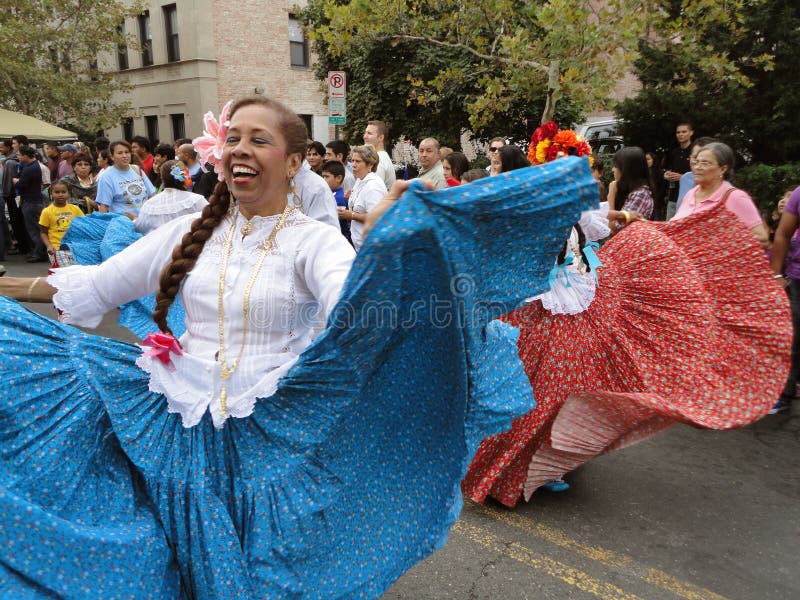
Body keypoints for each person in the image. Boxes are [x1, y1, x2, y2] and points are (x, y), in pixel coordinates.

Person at [0, 95, 599, 597]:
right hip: (169, 420)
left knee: (262, 572)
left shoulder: (315, 243)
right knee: (156, 550)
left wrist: (390, 238)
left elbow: (357, 315)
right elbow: (96, 287)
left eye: (258, 140)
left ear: (293, 164)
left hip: (269, 436)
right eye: (232, 138)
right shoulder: (192, 234)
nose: (239, 149)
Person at [672, 142, 768, 246]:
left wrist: (718, 244)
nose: (697, 167)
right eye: (696, 162)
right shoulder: (691, 194)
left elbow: (762, 238)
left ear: (723, 169)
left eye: (705, 163)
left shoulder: (735, 197)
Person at [769, 185, 800, 414]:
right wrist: (777, 273)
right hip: (797, 276)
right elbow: (783, 233)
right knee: (794, 336)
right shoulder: (798, 194)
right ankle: (784, 392)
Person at [134, 160, 208, 235]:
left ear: (162, 178)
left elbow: (140, 228)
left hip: (160, 245)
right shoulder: (196, 200)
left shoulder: (150, 205)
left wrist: (134, 220)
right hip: (190, 244)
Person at [337, 144, 387, 251]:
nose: (353, 165)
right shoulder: (360, 180)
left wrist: (351, 215)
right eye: (353, 160)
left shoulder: (373, 186)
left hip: (371, 248)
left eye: (358, 161)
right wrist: (350, 197)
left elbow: (377, 219)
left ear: (370, 165)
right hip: (360, 245)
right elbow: (361, 204)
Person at [96, 140, 156, 218]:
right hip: (123, 225)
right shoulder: (106, 176)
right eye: (120, 153)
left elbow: (152, 195)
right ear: (112, 156)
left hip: (145, 221)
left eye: (127, 152)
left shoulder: (136, 169)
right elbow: (103, 207)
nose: (124, 156)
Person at [13, 146, 48, 262]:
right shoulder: (34, 166)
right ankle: (38, 251)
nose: (18, 157)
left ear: (25, 156)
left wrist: (16, 181)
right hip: (34, 200)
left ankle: (39, 253)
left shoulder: (30, 169)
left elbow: (21, 184)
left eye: (19, 155)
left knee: (34, 228)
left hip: (31, 202)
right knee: (36, 227)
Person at [39, 180, 84, 258]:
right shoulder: (46, 211)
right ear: (51, 193)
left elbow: (84, 226)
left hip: (74, 247)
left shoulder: (75, 209)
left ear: (69, 193)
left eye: (63, 192)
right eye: (57, 192)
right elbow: (43, 233)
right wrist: (49, 246)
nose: (60, 195)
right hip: (56, 249)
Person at [611, 146, 654, 220]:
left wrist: (611, 196)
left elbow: (613, 228)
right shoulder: (627, 189)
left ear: (626, 170)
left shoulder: (640, 194)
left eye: (615, 166)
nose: (613, 169)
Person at [675, 137, 716, 212]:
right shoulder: (685, 178)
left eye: (705, 160)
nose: (698, 164)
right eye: (695, 157)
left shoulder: (724, 189)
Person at [663, 121, 694, 219]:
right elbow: (668, 169)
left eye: (684, 132)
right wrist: (666, 174)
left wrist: (683, 177)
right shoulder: (674, 152)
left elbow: (700, 174)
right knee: (670, 226)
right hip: (673, 196)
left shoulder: (695, 151)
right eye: (678, 132)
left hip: (690, 197)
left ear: (691, 133)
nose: (680, 134)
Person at [321, 159, 351, 241]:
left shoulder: (339, 198)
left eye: (327, 176)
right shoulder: (328, 193)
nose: (323, 180)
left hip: (337, 239)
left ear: (338, 178)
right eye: (322, 176)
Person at [363, 120, 396, 191]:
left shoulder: (379, 159)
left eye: (369, 133)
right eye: (365, 133)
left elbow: (374, 191)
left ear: (381, 138)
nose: (365, 136)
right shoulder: (381, 156)